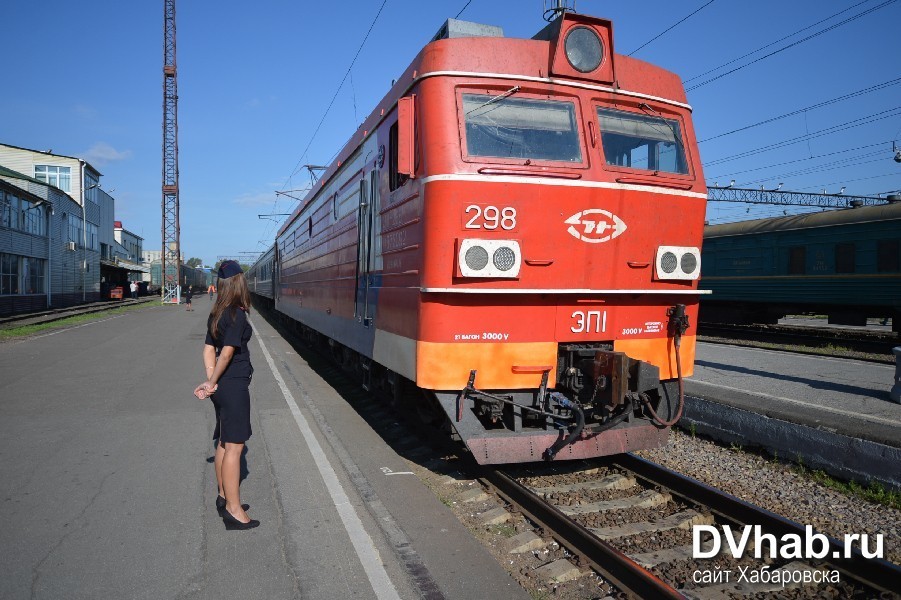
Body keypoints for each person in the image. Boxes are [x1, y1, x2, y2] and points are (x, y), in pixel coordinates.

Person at [193, 260, 258, 530]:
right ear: (239, 283)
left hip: (222, 387)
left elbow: (210, 349)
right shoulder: (236, 314)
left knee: (223, 441)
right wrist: (212, 381)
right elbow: (228, 352)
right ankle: (233, 509)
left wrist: (211, 380)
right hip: (232, 386)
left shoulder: (217, 312)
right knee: (235, 447)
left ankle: (223, 496)